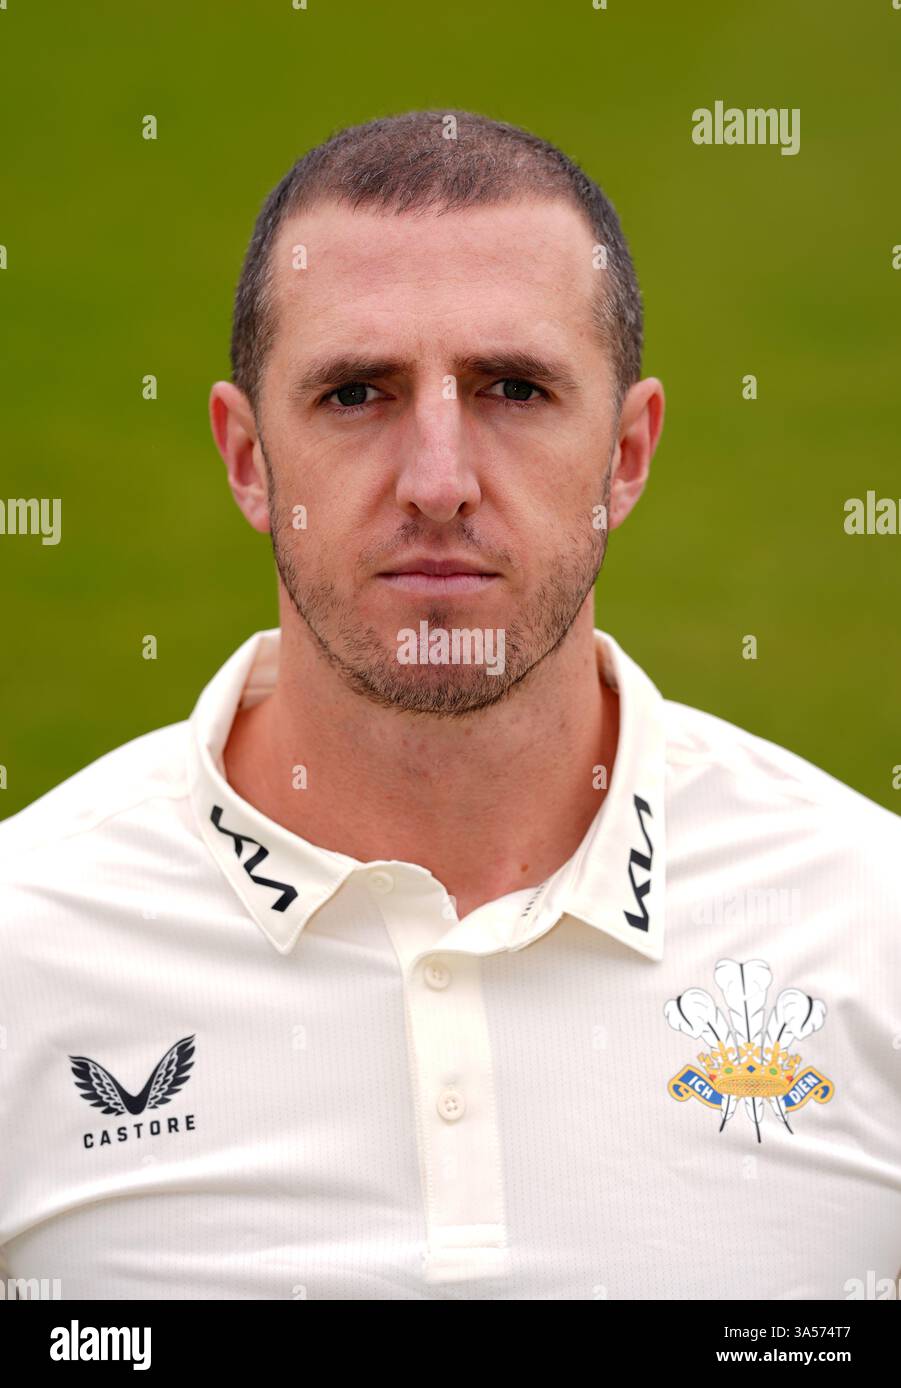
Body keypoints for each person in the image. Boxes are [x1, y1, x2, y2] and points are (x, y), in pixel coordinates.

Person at [1, 110, 898, 1302]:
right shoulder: (28, 947)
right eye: (357, 392)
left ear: (625, 455)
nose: (438, 482)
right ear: (248, 459)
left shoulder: (869, 928)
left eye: (514, 388)